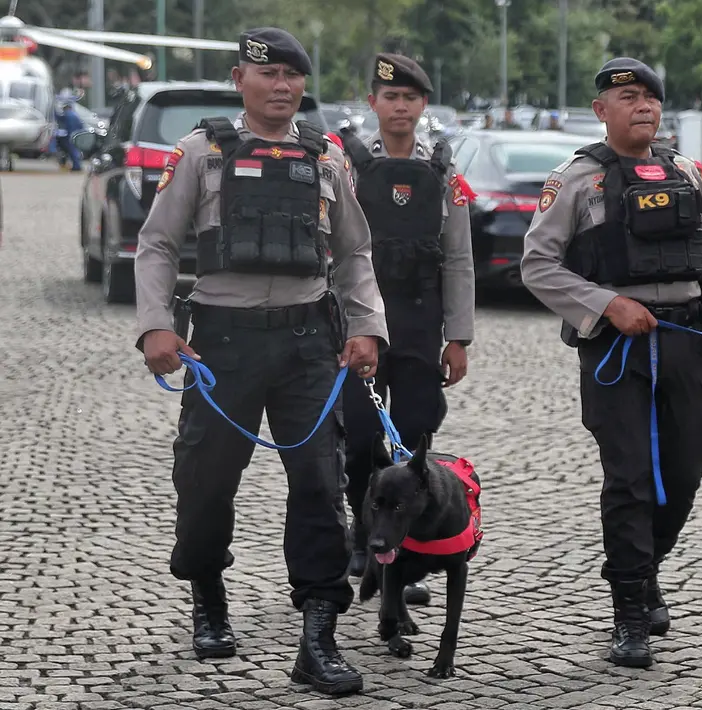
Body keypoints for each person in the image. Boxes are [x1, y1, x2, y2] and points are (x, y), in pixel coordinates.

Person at [133, 27, 386, 696]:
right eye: (267, 75)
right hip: (222, 341)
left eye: (291, 76)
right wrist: (156, 324)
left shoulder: (328, 158)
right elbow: (157, 244)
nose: (281, 87)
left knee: (318, 484)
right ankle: (209, 596)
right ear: (240, 81)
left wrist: (367, 328)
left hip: (309, 342)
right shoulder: (202, 152)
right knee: (205, 481)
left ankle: (318, 637)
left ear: (303, 85)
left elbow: (356, 252)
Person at [520, 57, 702, 668]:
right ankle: (629, 608)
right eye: (628, 97)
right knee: (630, 477)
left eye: (651, 96)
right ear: (602, 111)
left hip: (687, 340)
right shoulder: (577, 180)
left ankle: (644, 566)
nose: (644, 107)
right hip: (616, 348)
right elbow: (539, 265)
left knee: (687, 464)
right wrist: (606, 303)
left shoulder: (685, 172)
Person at [337, 52, 476, 606]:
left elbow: (459, 259)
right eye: (389, 97)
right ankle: (363, 535)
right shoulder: (345, 164)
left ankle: (408, 543)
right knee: (363, 439)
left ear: (423, 104)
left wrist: (458, 336)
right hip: (360, 314)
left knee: (415, 432)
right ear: (373, 102)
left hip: (419, 320)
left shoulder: (445, 172)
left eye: (410, 97)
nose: (400, 106)